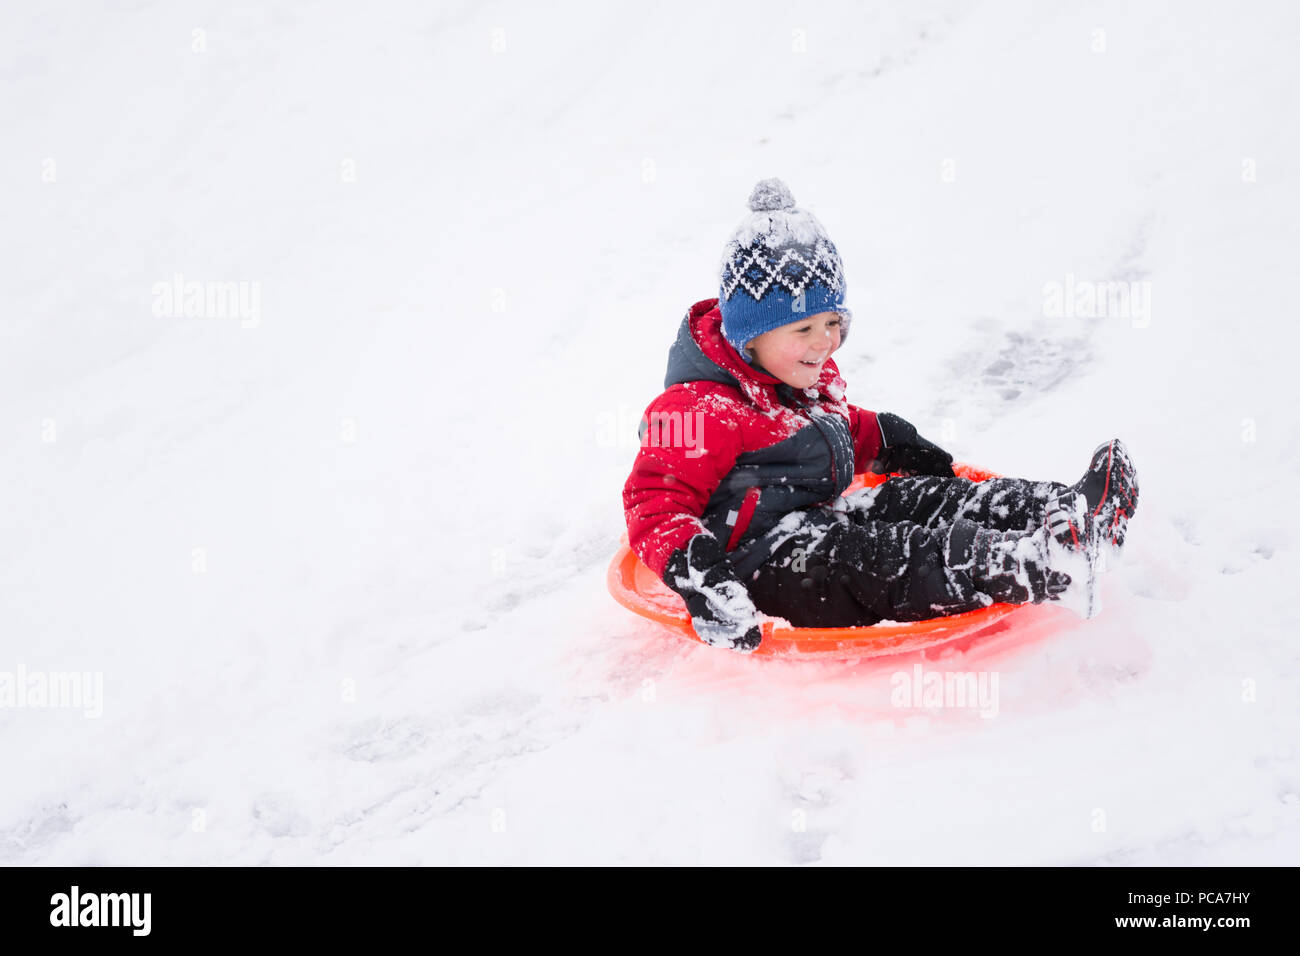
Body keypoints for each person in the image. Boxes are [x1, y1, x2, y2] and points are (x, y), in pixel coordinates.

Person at [622, 178, 1138, 653]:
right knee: (890, 556)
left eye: (832, 322)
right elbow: (654, 505)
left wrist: (885, 438)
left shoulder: (793, 373)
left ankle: (1071, 511)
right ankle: (1038, 562)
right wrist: (702, 578)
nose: (825, 342)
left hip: (824, 517)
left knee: (923, 498)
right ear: (749, 334)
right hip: (765, 565)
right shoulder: (697, 409)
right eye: (803, 329)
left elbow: (825, 429)